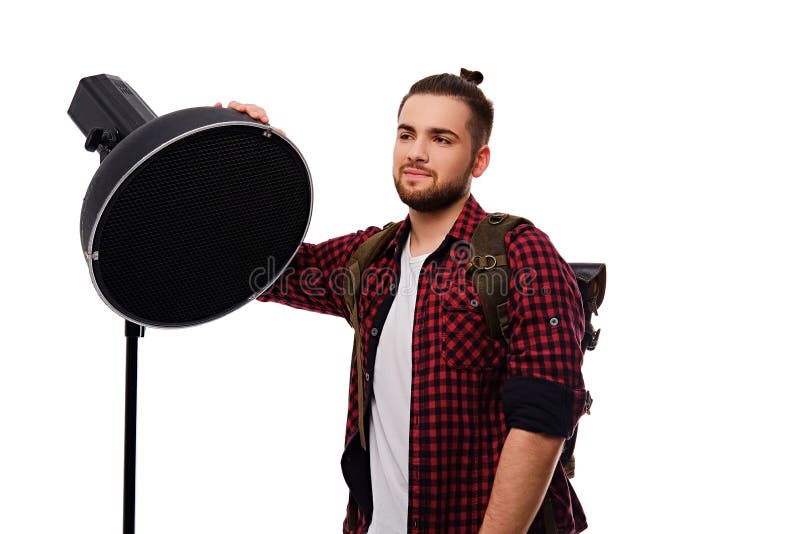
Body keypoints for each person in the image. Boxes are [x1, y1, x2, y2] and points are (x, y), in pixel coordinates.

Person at [219, 69, 589, 534]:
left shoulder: (521, 253)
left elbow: (545, 415)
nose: (416, 152)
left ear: (479, 160)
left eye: (442, 139)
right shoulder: (370, 260)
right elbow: (269, 271)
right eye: (407, 134)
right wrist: (237, 157)